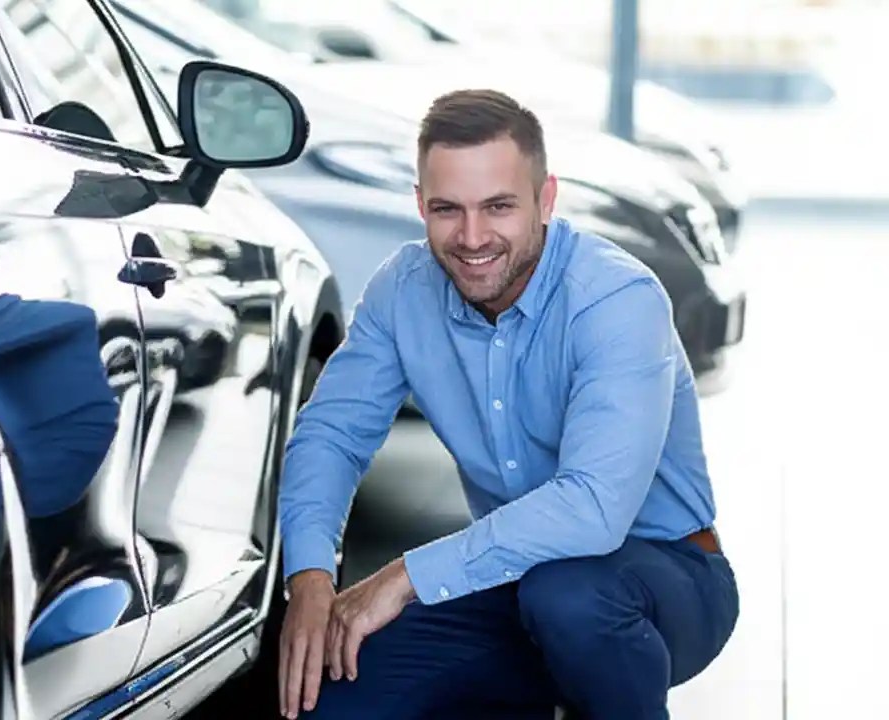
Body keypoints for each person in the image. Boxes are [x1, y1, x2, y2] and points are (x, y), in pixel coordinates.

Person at [275, 89, 739, 720]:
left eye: (498, 207)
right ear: (419, 205)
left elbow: (594, 509)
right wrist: (308, 579)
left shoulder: (616, 298)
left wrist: (403, 578)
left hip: (666, 578)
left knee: (569, 599)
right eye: (447, 210)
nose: (471, 238)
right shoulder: (403, 289)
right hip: (511, 580)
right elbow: (331, 434)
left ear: (546, 200)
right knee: (339, 690)